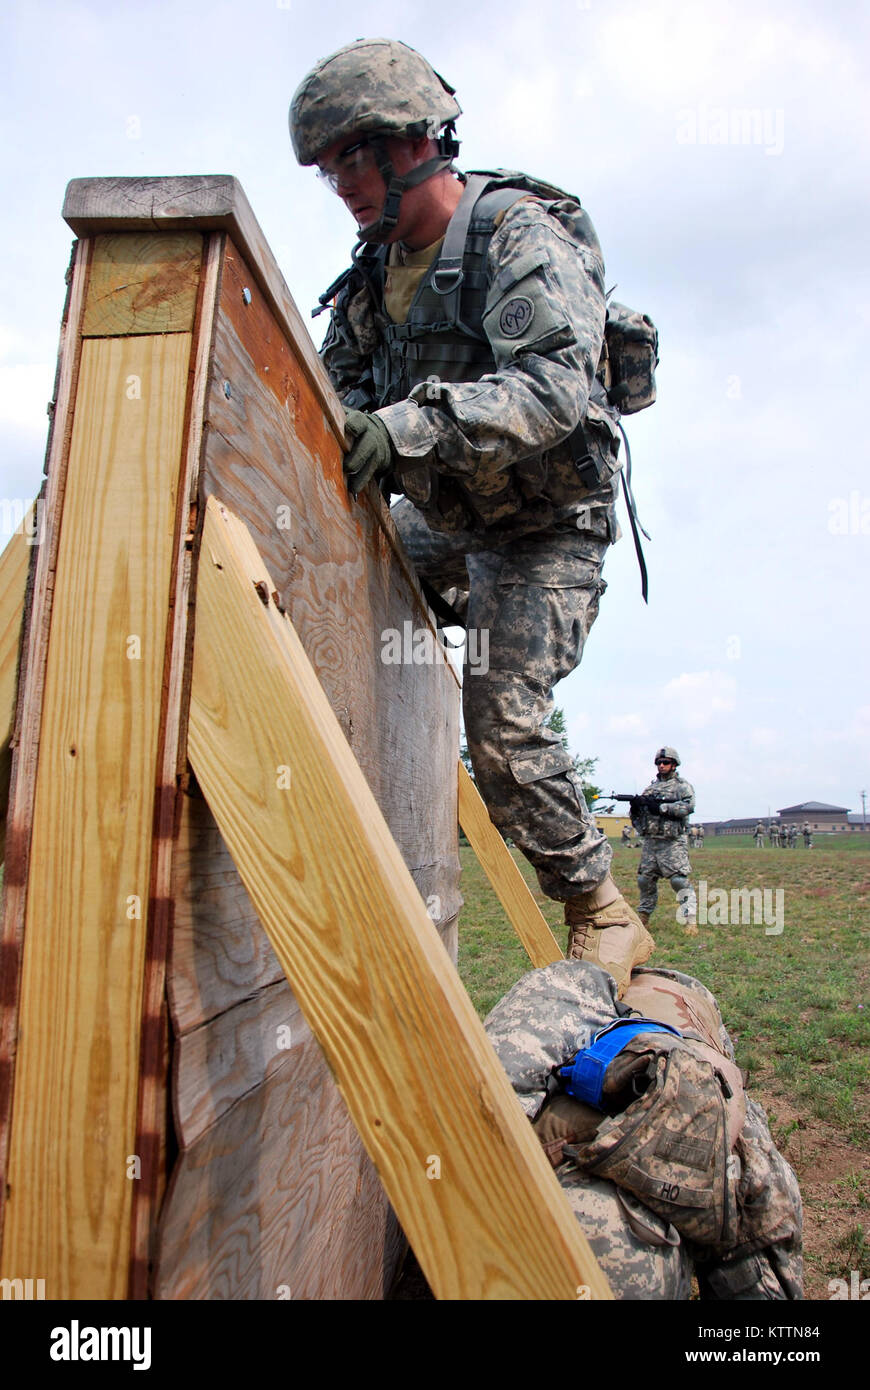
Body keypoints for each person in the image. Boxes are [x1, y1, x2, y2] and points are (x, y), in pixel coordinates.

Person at [290, 39, 653, 996]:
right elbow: (340, 400)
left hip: (543, 528)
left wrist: (400, 429)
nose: (344, 188)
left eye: (353, 161)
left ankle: (600, 908)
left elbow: (551, 392)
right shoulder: (369, 278)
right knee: (323, 573)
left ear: (414, 144)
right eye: (330, 173)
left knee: (499, 719)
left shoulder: (519, 234)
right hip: (455, 520)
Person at [633, 747, 697, 934]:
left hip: (672, 842)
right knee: (644, 880)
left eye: (666, 762)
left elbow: (688, 806)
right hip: (652, 841)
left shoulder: (681, 786)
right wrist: (636, 808)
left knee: (678, 880)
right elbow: (641, 816)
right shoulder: (650, 788)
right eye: (659, 763)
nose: (662, 766)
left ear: (674, 765)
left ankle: (690, 919)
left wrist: (662, 808)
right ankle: (643, 916)